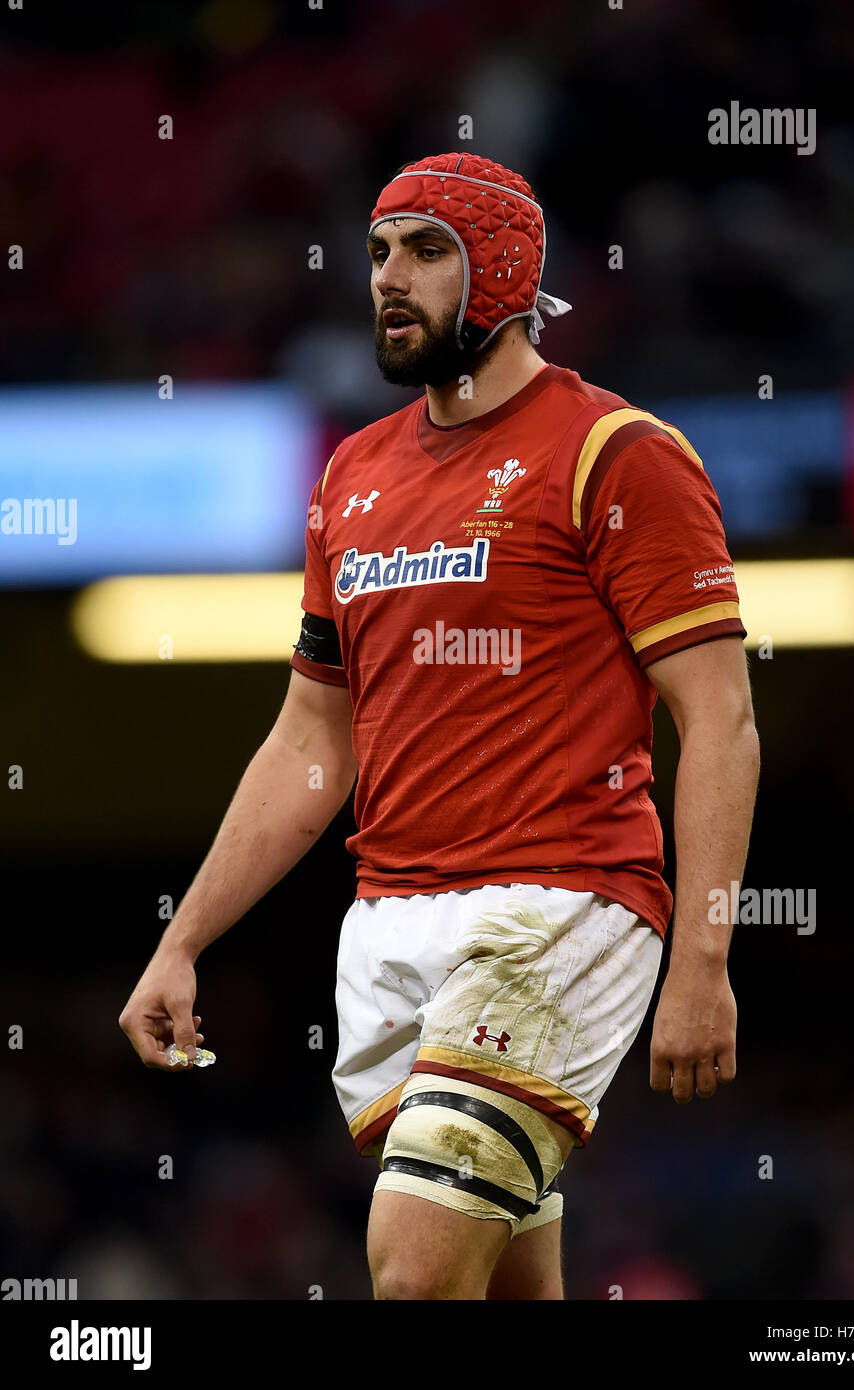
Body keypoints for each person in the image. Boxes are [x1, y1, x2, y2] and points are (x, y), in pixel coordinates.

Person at [119, 153, 760, 1301]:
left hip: (556, 910)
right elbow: (313, 740)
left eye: (425, 251)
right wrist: (186, 937)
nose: (388, 279)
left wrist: (703, 959)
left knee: (414, 1273)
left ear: (504, 270)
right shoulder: (349, 474)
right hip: (386, 927)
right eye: (376, 253)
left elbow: (718, 719)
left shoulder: (617, 453)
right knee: (505, 1283)